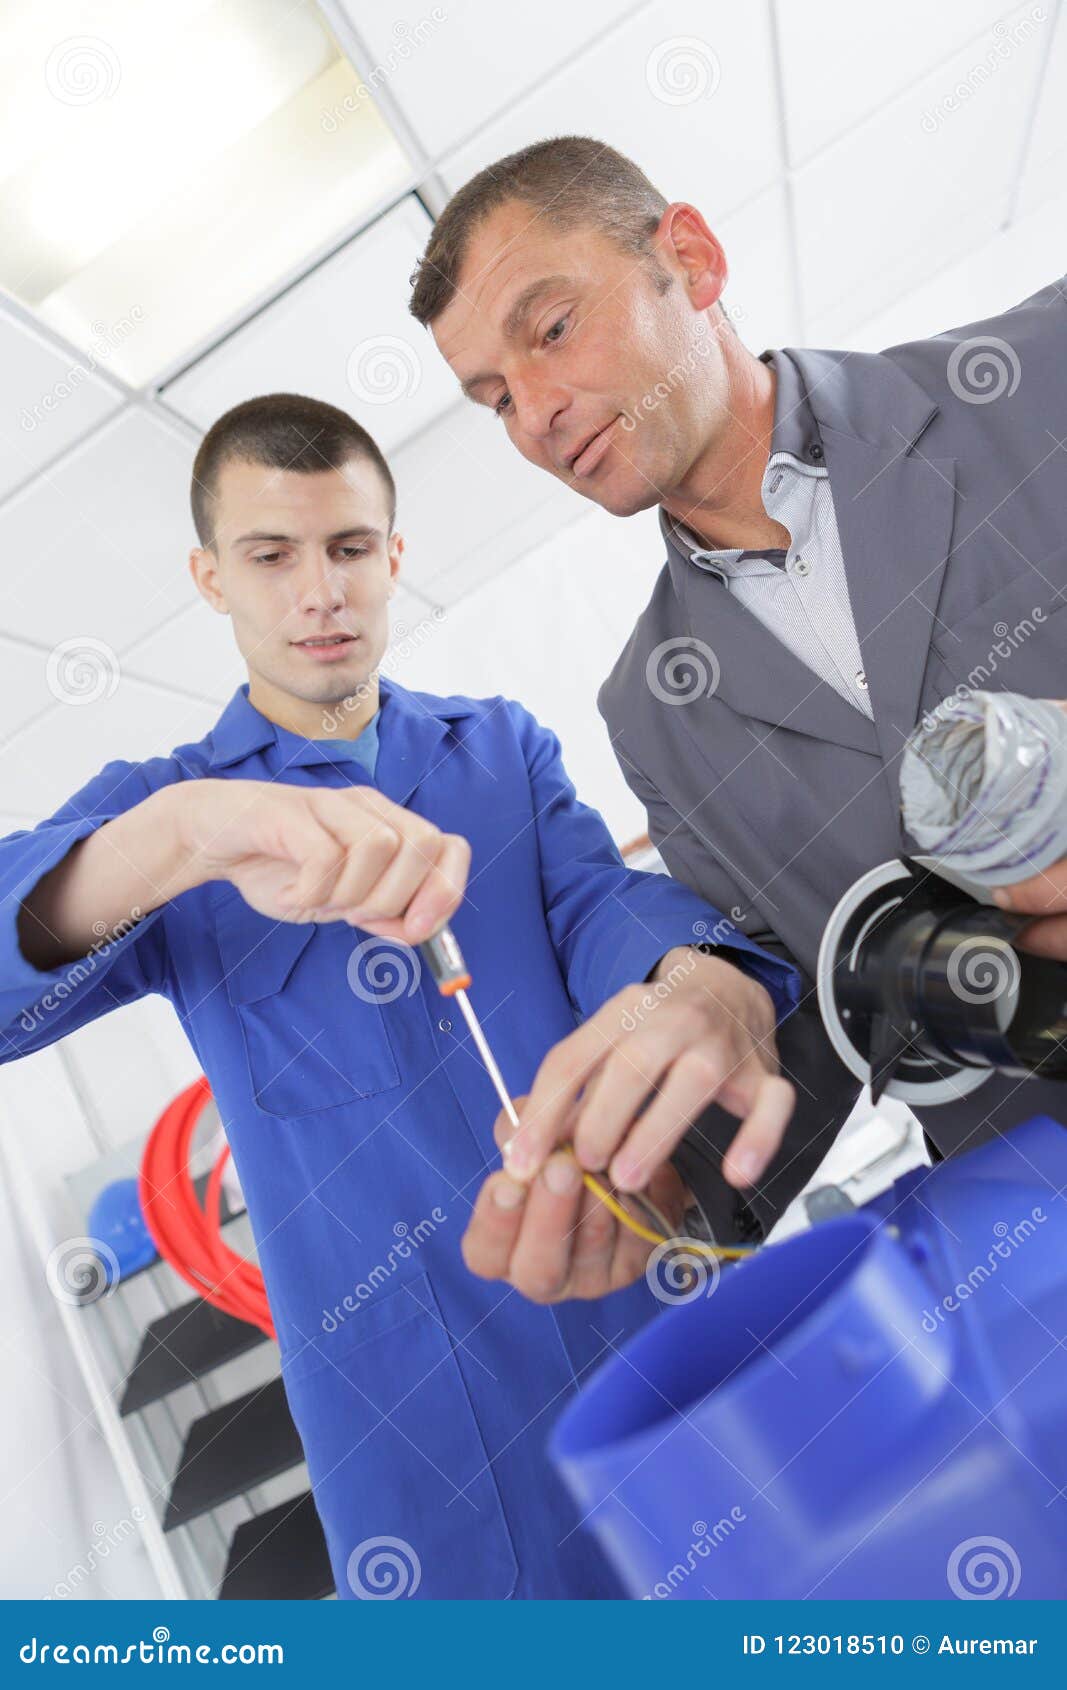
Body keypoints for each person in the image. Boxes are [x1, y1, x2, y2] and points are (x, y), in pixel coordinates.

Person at [0, 393, 799, 1600]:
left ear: (393, 558)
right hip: (420, 1423)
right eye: (271, 556)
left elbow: (596, 907)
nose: (318, 591)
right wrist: (190, 833)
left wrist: (689, 979)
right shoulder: (166, 814)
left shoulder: (495, 751)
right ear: (210, 578)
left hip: (631, 1299)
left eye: (349, 548)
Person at [408, 134, 1067, 1295]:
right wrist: (659, 1180)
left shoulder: (1035, 375)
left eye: (550, 330)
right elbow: (812, 1022)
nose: (537, 416)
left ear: (692, 260)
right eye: (495, 398)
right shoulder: (653, 716)